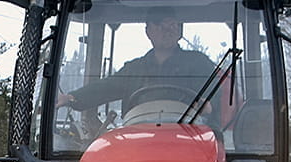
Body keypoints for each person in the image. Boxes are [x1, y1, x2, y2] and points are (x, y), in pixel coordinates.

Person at [58, 13, 217, 117]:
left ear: (180, 32)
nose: (168, 31)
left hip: (190, 140)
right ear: (148, 31)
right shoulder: (135, 69)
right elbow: (106, 88)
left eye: (173, 26)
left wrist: (209, 106)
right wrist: (72, 98)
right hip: (138, 139)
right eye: (161, 25)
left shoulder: (200, 64)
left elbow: (218, 96)